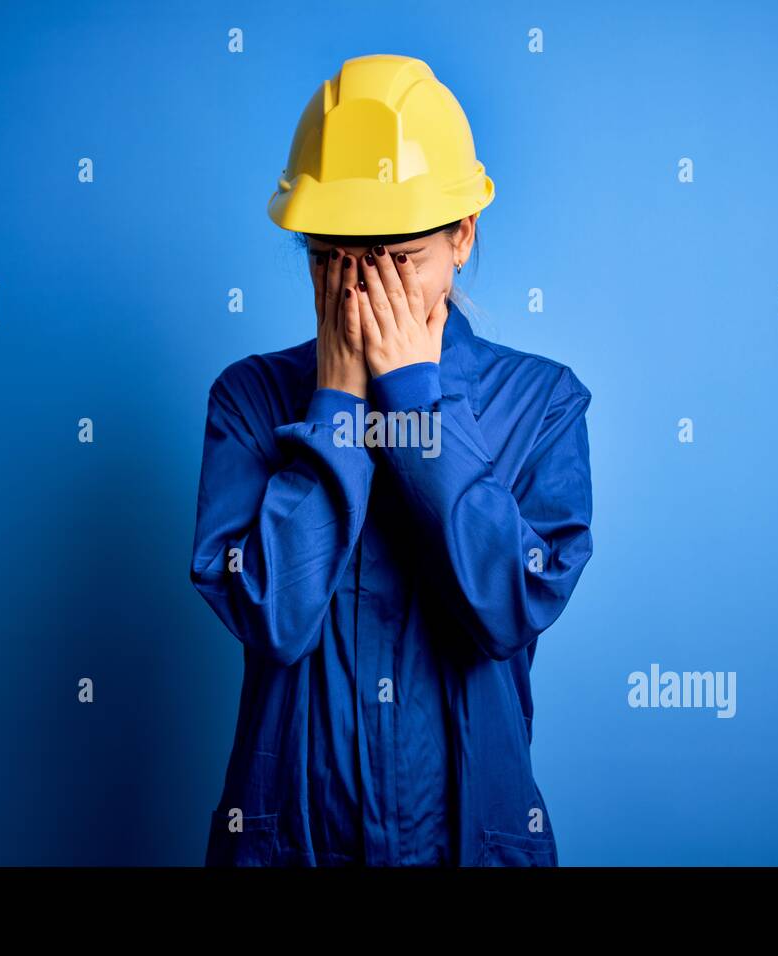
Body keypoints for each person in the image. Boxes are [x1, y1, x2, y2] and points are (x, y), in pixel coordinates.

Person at [190, 54, 594, 866]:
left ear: (461, 236)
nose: (361, 294)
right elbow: (273, 614)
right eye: (335, 259)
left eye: (396, 260)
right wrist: (336, 407)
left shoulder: (543, 404)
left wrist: (418, 406)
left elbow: (507, 610)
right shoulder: (249, 401)